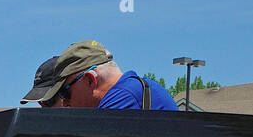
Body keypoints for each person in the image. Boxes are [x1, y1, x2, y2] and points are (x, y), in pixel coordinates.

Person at [45, 40, 177, 111]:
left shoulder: (122, 99)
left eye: (65, 93)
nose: (65, 102)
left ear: (90, 80)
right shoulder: (131, 90)